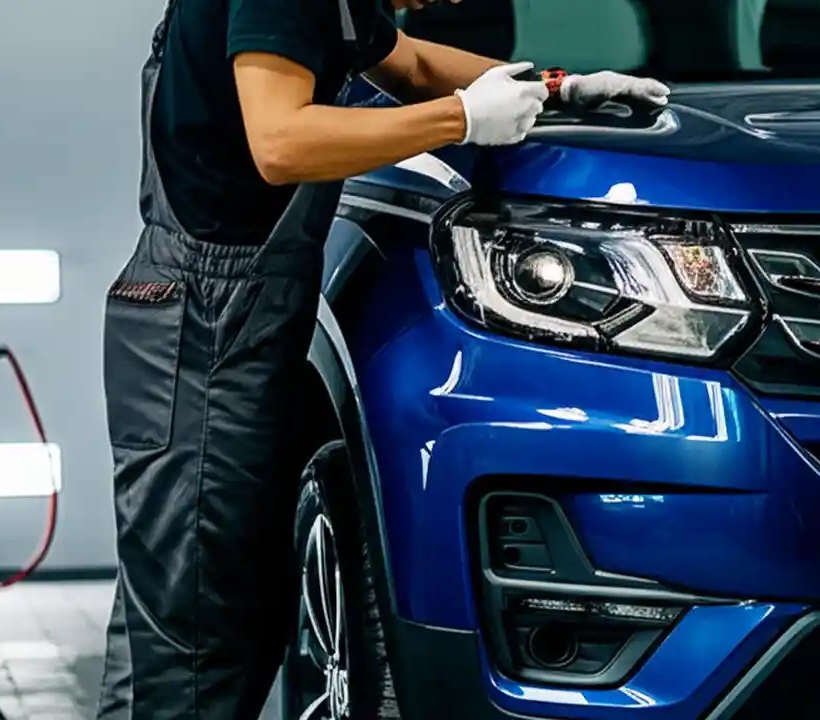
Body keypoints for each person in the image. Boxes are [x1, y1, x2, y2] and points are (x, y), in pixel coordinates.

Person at [95, 0, 670, 718]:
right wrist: (461, 118)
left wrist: (555, 87)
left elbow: (411, 62)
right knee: (200, 640)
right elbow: (280, 141)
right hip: (202, 322)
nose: (440, 5)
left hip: (237, 320)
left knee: (193, 617)